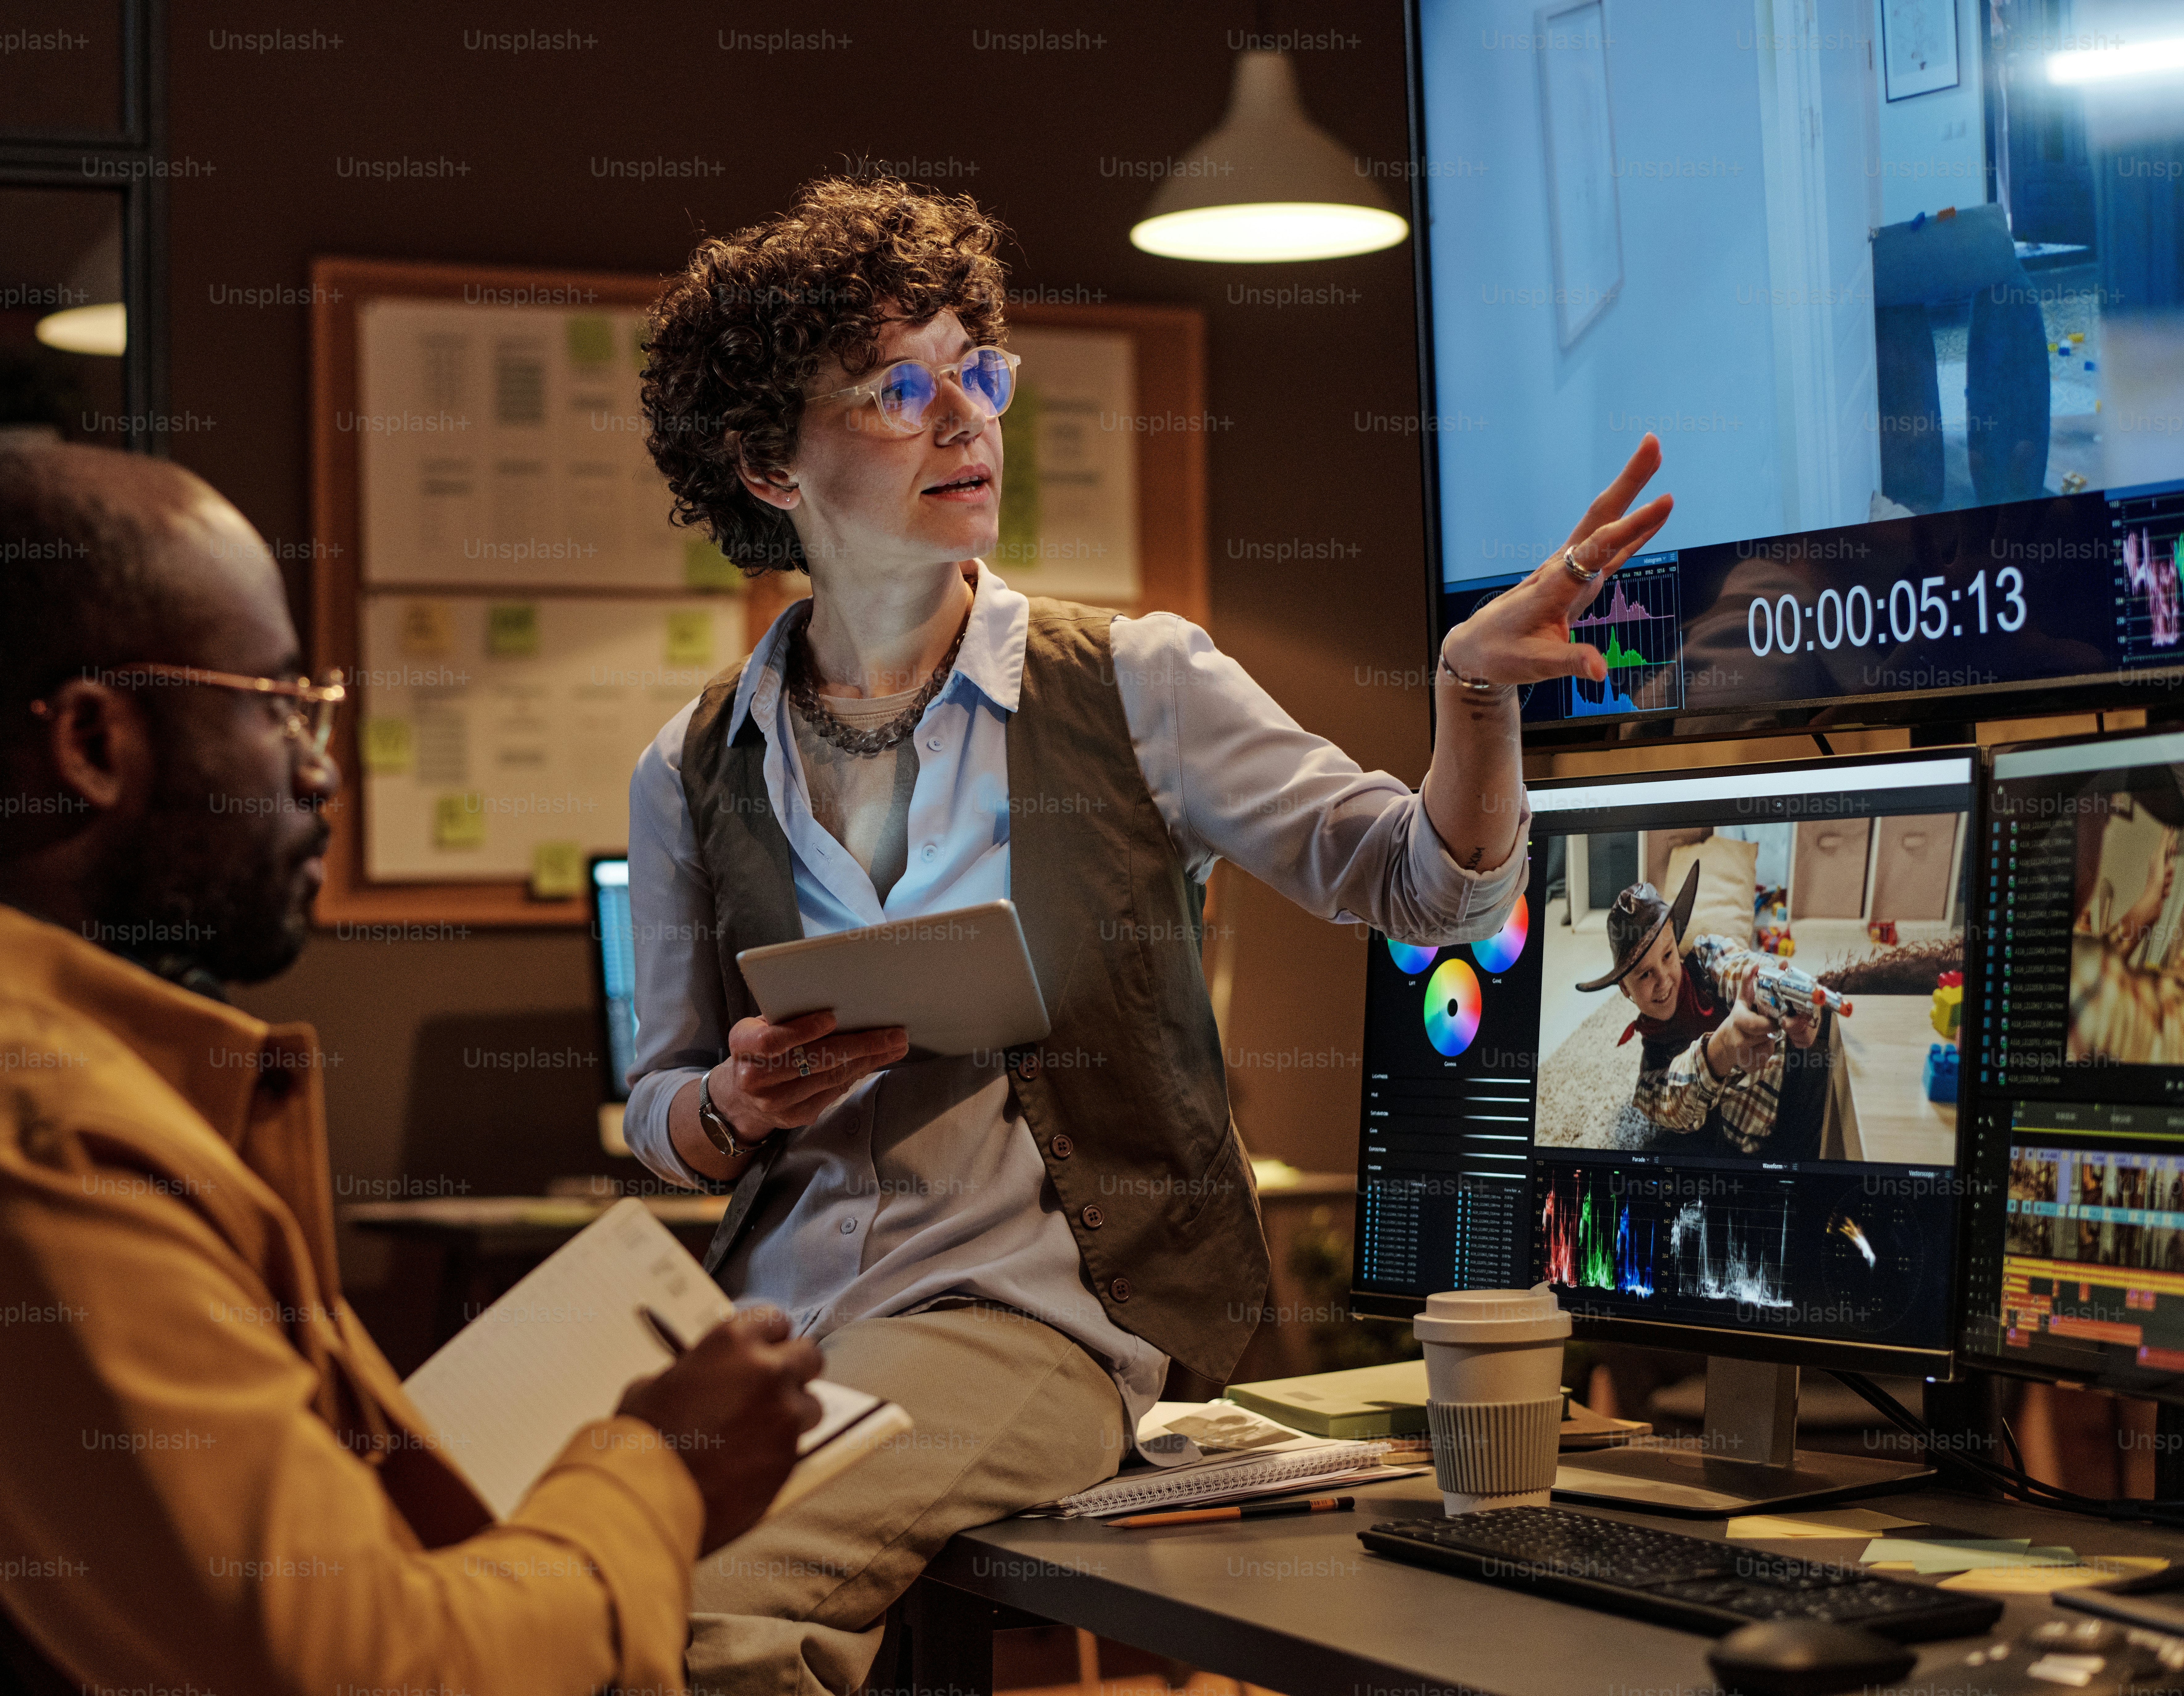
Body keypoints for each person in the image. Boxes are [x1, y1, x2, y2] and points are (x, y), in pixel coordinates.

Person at [624, 175, 1674, 1696]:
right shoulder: (694, 756)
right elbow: (659, 1109)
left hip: (1041, 1315)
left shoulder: (1130, 679)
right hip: (773, 1315)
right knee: (523, 1576)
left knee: (703, 1610)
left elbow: (1428, 889)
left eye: (977, 375)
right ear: (766, 464)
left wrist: (1469, 695)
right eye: (899, 389)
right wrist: (728, 1100)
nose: (964, 420)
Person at [0, 439, 824, 1690]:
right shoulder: (38, 1141)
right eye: (279, 702)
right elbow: (353, 1669)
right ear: (91, 744)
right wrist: (664, 1462)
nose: (319, 766)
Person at [1578, 862, 1837, 1161]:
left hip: (1806, 1053)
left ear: (1677, 943)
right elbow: (1675, 1103)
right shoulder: (1652, 1074)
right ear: (1625, 989)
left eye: (1667, 955)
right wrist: (1723, 1048)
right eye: (1645, 975)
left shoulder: (1707, 956)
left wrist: (1786, 998)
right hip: (1782, 1136)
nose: (1664, 980)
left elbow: (1740, 967)